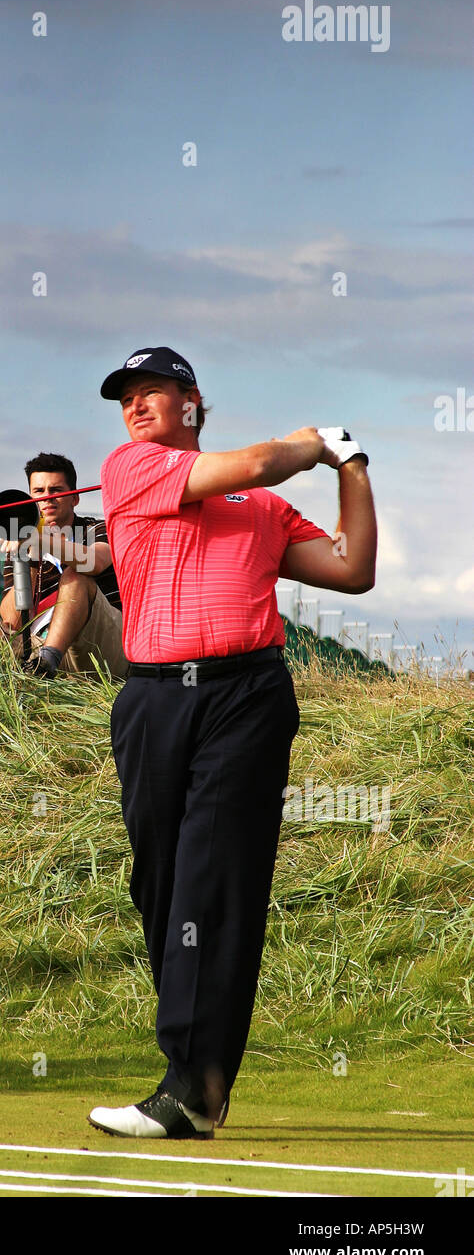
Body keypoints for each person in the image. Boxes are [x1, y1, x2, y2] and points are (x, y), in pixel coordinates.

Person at [88, 346, 377, 1139]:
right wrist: (312, 442)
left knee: (215, 880)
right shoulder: (130, 469)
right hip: (153, 698)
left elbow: (353, 570)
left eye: (155, 393)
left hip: (246, 695)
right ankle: (196, 1073)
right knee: (164, 888)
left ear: (193, 400)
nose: (138, 408)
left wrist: (352, 466)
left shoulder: (260, 505)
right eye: (128, 398)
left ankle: (193, 1088)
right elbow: (257, 458)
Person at [0, 452, 129, 681]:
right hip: (35, 645)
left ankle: (45, 664)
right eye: (39, 491)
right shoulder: (22, 543)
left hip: (98, 645)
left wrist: (39, 538)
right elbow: (13, 621)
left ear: (75, 498)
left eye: (57, 491)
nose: (47, 498)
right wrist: (29, 555)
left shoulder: (97, 529)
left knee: (76, 576)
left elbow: (94, 561)